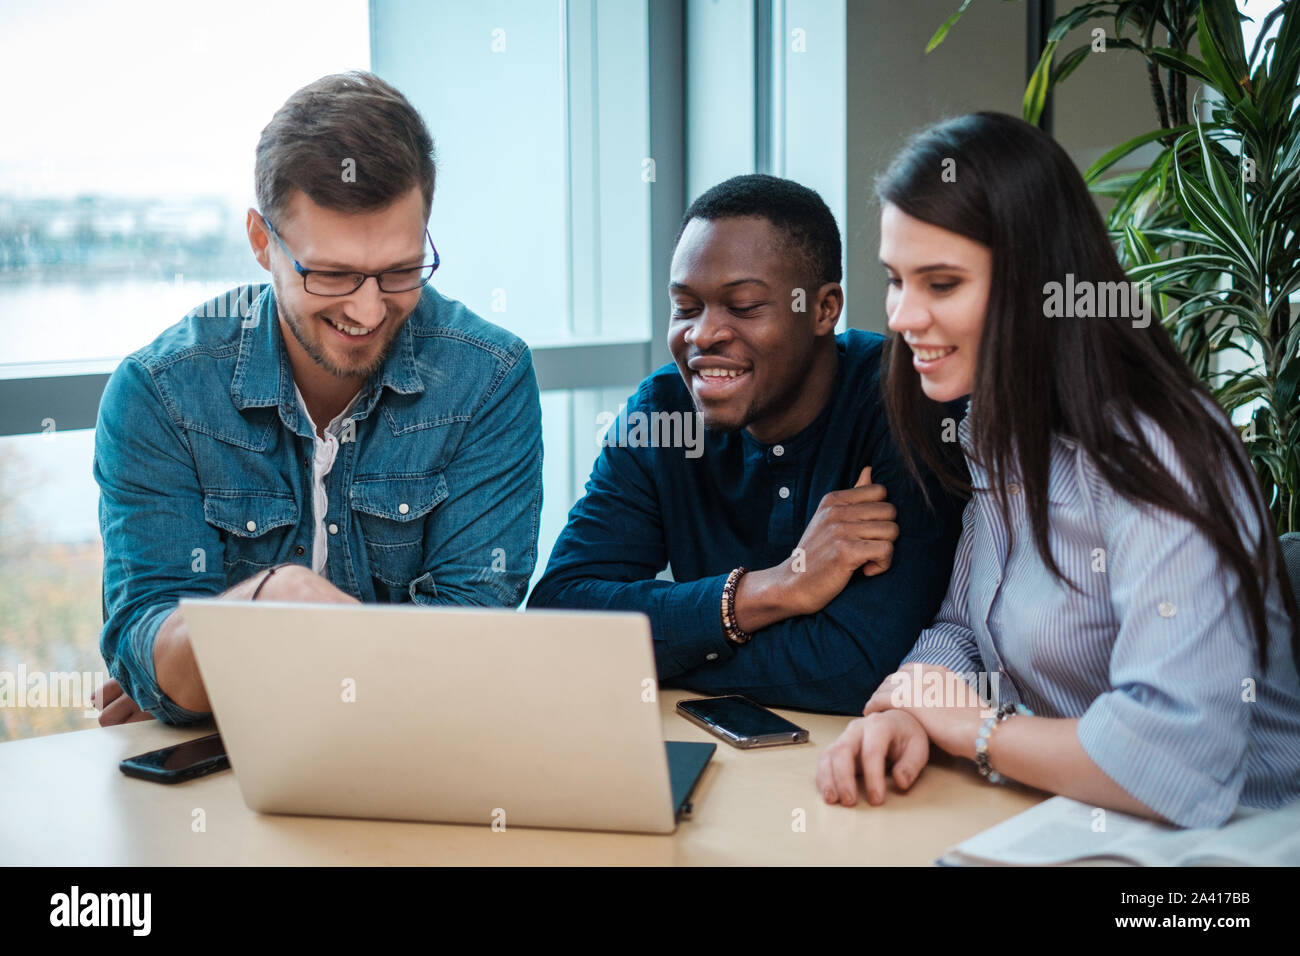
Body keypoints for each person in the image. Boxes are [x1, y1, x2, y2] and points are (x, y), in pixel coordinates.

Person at [816, 111, 1300, 828]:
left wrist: (976, 733)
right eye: (896, 280)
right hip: (1069, 820)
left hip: (1232, 842)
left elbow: (1174, 761)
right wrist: (912, 709)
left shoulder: (1158, 452)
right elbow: (963, 627)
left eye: (941, 284)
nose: (903, 315)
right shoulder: (996, 425)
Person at [93, 71, 543, 726]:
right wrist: (260, 608)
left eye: (399, 270)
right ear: (259, 241)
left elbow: (470, 637)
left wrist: (225, 660)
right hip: (232, 778)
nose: (367, 308)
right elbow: (147, 642)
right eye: (331, 273)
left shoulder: (490, 378)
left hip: (419, 752)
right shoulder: (160, 394)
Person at [529, 174, 963, 714]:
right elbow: (560, 618)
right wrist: (771, 590)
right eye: (686, 307)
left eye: (744, 306)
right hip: (713, 754)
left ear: (824, 309)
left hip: (858, 770)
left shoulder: (904, 402)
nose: (703, 335)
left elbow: (864, 666)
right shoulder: (663, 411)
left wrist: (660, 651)